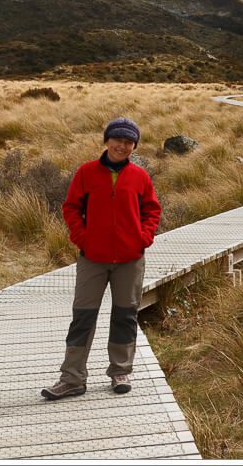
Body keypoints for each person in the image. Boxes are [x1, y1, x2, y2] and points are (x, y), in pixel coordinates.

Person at [41, 117, 162, 400]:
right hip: (92, 259)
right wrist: (83, 239)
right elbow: (71, 208)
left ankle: (120, 371)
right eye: (118, 139)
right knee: (82, 317)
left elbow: (152, 211)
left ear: (134, 146)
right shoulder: (86, 173)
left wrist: (142, 238)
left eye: (129, 142)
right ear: (106, 141)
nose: (123, 145)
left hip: (130, 260)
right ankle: (72, 379)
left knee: (125, 315)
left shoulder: (140, 177)